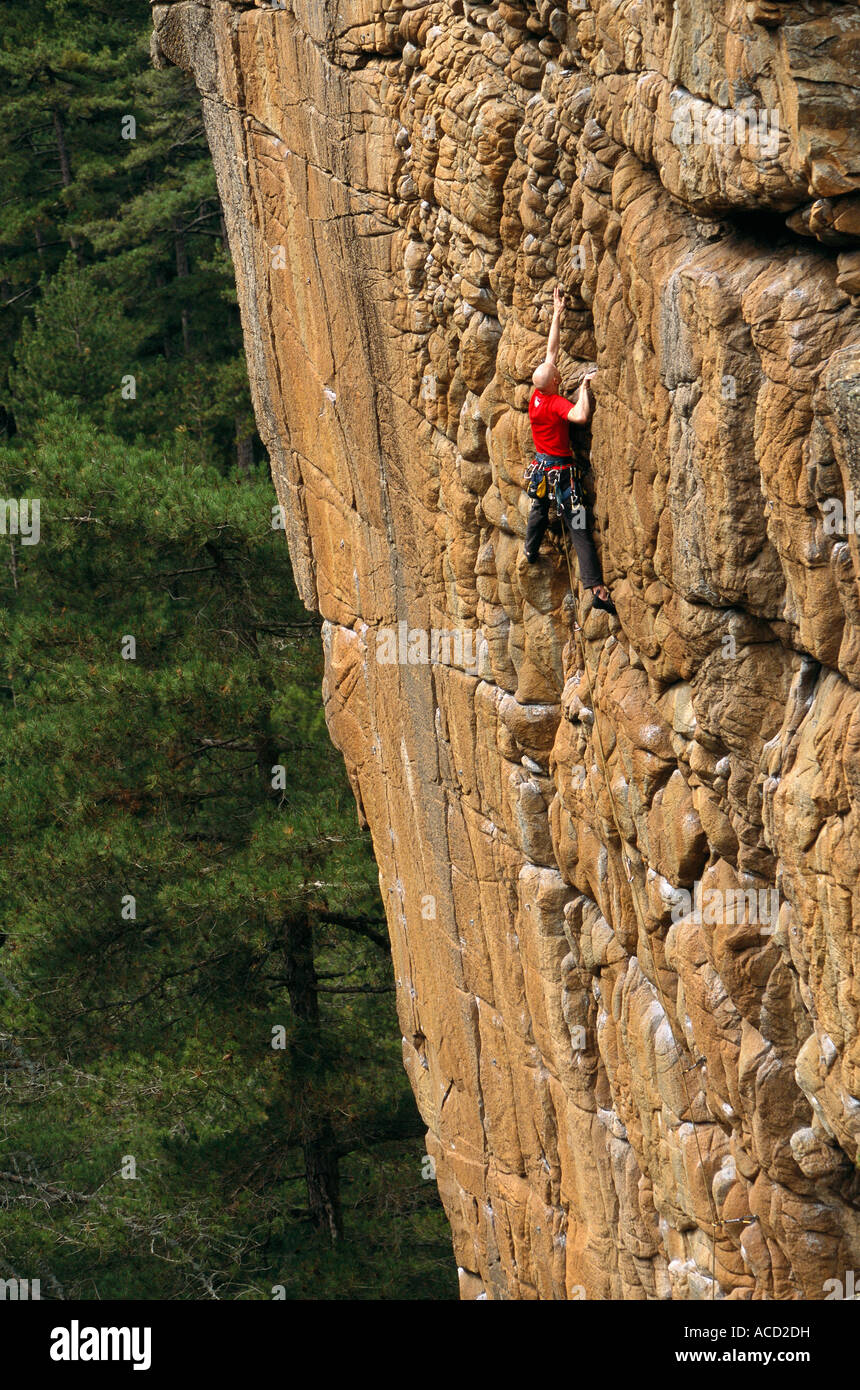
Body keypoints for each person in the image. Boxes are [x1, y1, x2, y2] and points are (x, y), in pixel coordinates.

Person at [522, 285, 615, 612]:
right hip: (561, 473)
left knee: (538, 510)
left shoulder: (537, 396)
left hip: (542, 469)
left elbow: (551, 353)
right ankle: (596, 590)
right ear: (558, 384)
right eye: (560, 375)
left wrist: (557, 313)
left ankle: (530, 550)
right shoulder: (556, 404)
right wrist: (586, 388)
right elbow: (581, 415)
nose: (560, 369)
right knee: (578, 528)